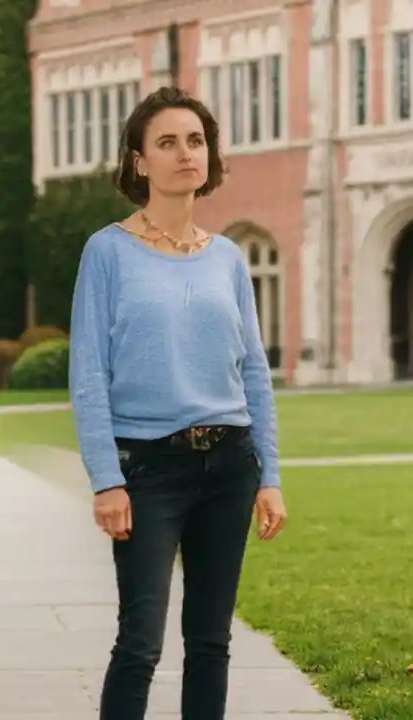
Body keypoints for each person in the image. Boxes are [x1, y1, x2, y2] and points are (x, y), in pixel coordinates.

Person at [67, 85, 287, 720]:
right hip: (147, 473)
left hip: (229, 464)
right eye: (167, 142)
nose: (185, 153)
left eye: (195, 141)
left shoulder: (227, 259)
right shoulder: (106, 252)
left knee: (211, 643)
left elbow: (253, 371)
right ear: (139, 161)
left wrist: (268, 477)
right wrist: (107, 480)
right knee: (139, 643)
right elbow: (89, 375)